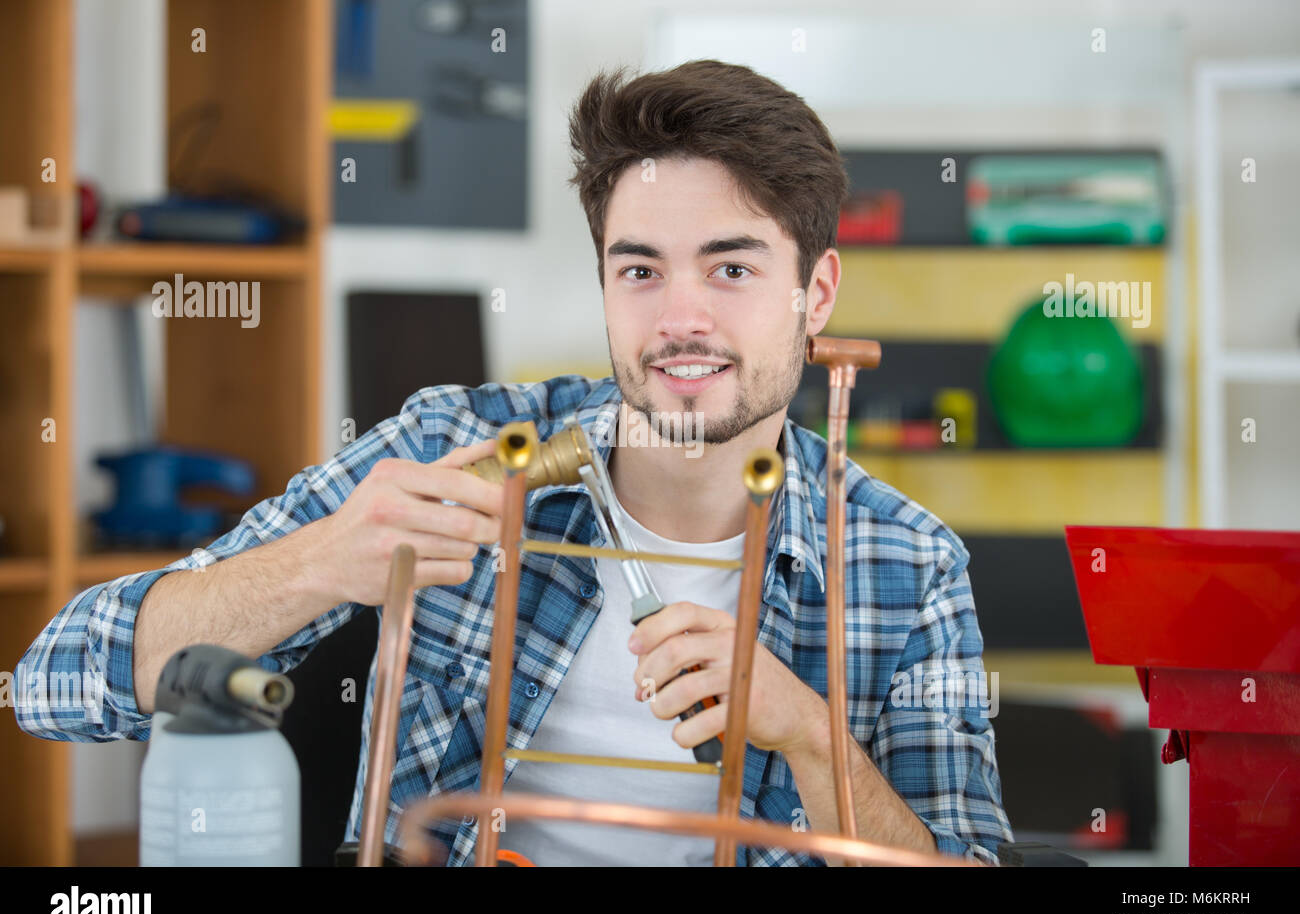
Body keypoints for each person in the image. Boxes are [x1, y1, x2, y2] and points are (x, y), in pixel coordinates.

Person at [16, 59, 1012, 867]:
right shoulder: (454, 444)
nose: (680, 317)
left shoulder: (907, 564)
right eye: (639, 269)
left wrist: (802, 729)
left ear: (818, 292)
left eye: (732, 266)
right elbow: (50, 683)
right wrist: (322, 561)